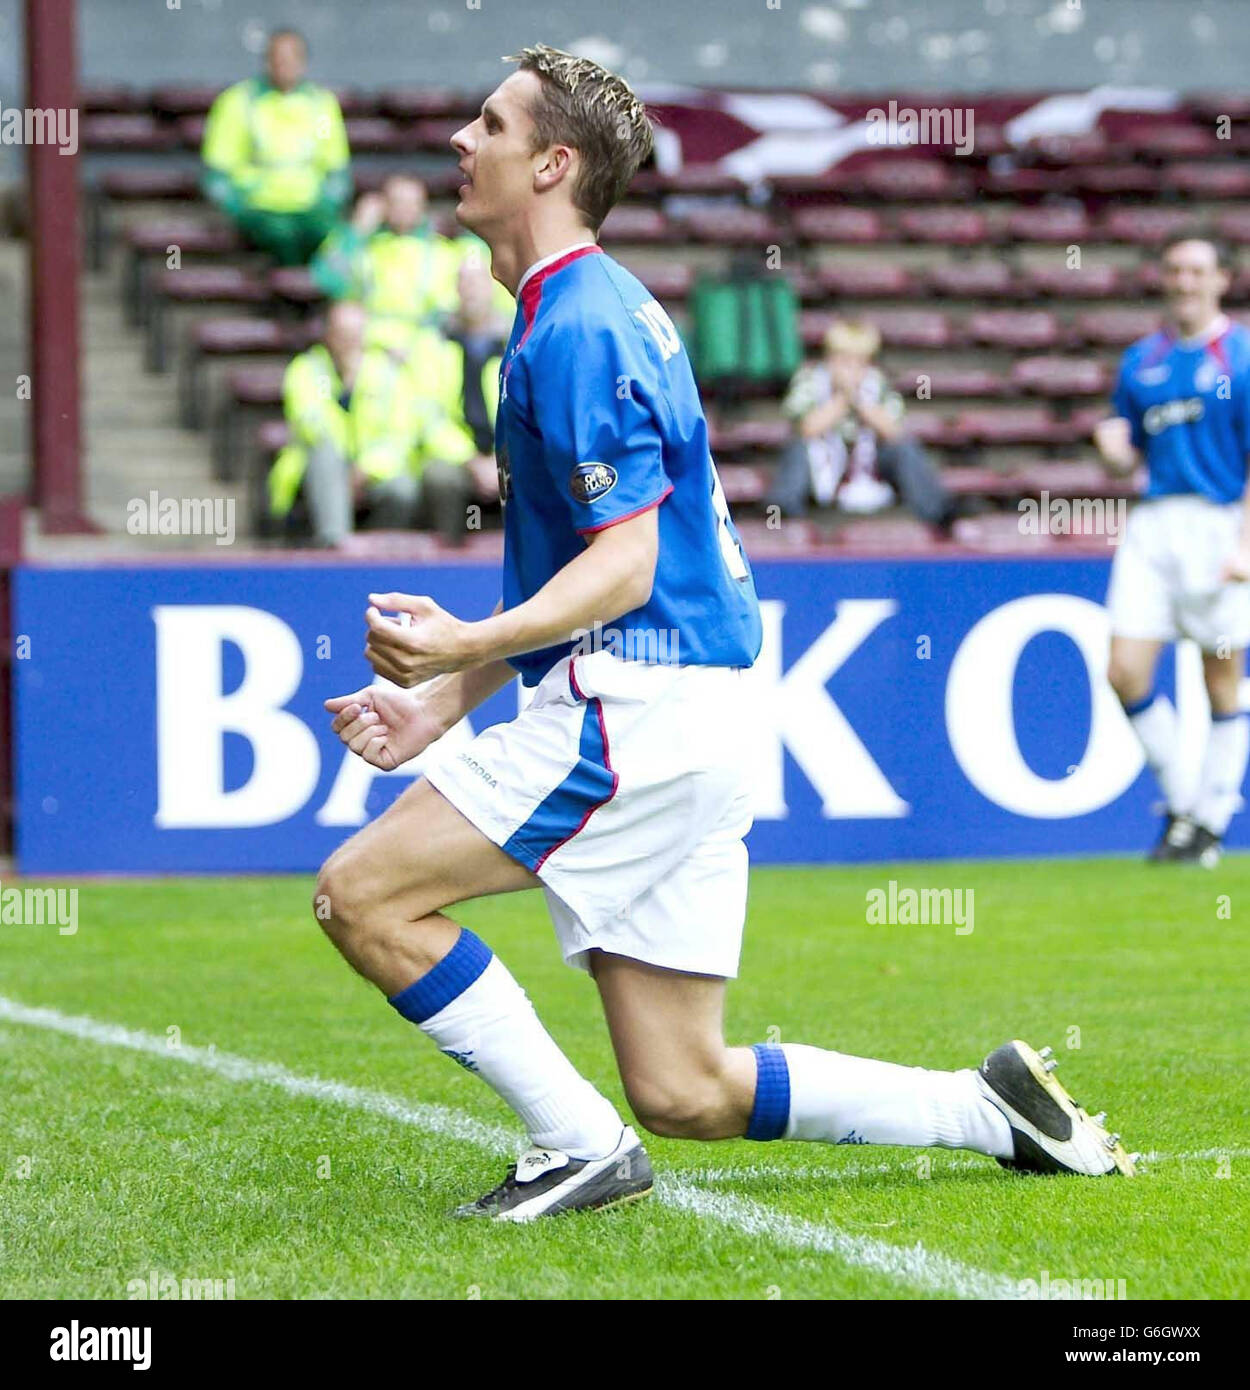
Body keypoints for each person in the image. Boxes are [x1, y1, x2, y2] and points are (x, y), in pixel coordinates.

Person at [314, 44, 1134, 1224]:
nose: (459, 141)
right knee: (685, 1084)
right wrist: (452, 695)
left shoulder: (577, 328)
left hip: (632, 705)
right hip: (687, 707)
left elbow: (626, 564)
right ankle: (980, 1108)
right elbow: (584, 557)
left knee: (364, 895)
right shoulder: (579, 312)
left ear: (551, 163)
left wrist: (457, 646)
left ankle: (574, 1148)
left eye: (487, 125)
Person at [1095, 233, 1250, 868]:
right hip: (1154, 524)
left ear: (1221, 280)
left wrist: (1247, 544)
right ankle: (1186, 806)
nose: (1184, 281)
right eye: (1175, 270)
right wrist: (1113, 456)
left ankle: (1209, 822)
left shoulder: (1239, 357)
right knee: (1124, 670)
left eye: (1197, 271)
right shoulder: (1142, 360)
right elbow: (1127, 452)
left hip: (1220, 521)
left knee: (1221, 678)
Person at [268, 302, 473, 546]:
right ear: (329, 336)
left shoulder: (385, 373)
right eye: (343, 335)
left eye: (355, 336)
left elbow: (400, 435)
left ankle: (372, 555)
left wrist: (366, 469)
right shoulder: (309, 370)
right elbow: (313, 423)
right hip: (318, 471)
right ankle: (336, 547)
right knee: (326, 456)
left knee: (403, 489)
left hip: (372, 472)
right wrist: (348, 389)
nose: (349, 343)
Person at [771, 319, 955, 528]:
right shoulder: (808, 380)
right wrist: (842, 398)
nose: (851, 369)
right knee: (798, 449)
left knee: (905, 448)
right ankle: (784, 519)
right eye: (844, 360)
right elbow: (806, 428)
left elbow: (894, 431)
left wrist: (859, 400)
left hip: (868, 465)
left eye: (859, 362)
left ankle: (938, 516)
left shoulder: (878, 382)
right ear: (830, 359)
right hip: (819, 462)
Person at [201, 29, 350, 267]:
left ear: (304, 62)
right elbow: (219, 169)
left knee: (332, 235)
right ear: (267, 61)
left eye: (293, 59)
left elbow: (334, 163)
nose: (285, 66)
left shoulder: (321, 104)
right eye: (279, 59)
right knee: (279, 234)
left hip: (310, 204)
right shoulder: (238, 101)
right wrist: (238, 205)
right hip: (260, 204)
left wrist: (328, 201)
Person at [310, 175, 464, 355]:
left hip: (425, 348)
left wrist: (414, 345)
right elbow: (328, 280)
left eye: (412, 202)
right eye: (397, 202)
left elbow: (448, 312)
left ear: (423, 207)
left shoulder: (443, 252)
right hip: (368, 347)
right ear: (383, 205)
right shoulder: (363, 246)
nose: (404, 209)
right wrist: (357, 231)